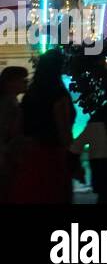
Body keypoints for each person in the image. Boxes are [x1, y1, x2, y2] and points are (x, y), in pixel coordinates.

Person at [9, 50, 78, 203]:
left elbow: (17, 127)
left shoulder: (30, 95)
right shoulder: (58, 95)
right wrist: (73, 157)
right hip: (53, 156)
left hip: (30, 156)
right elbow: (64, 130)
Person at [0, 65, 29, 202]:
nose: (26, 82)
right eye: (22, 80)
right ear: (10, 82)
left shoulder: (11, 101)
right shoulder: (8, 103)